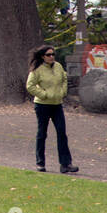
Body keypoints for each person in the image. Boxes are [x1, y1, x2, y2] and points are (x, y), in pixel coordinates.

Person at [27, 45, 79, 174]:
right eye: (48, 55)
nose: (52, 57)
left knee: (62, 133)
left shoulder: (58, 66)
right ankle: (40, 163)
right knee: (42, 134)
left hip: (57, 105)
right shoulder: (37, 69)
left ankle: (66, 164)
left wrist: (63, 92)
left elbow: (64, 79)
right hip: (42, 105)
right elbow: (30, 85)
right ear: (42, 56)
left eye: (53, 54)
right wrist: (44, 95)